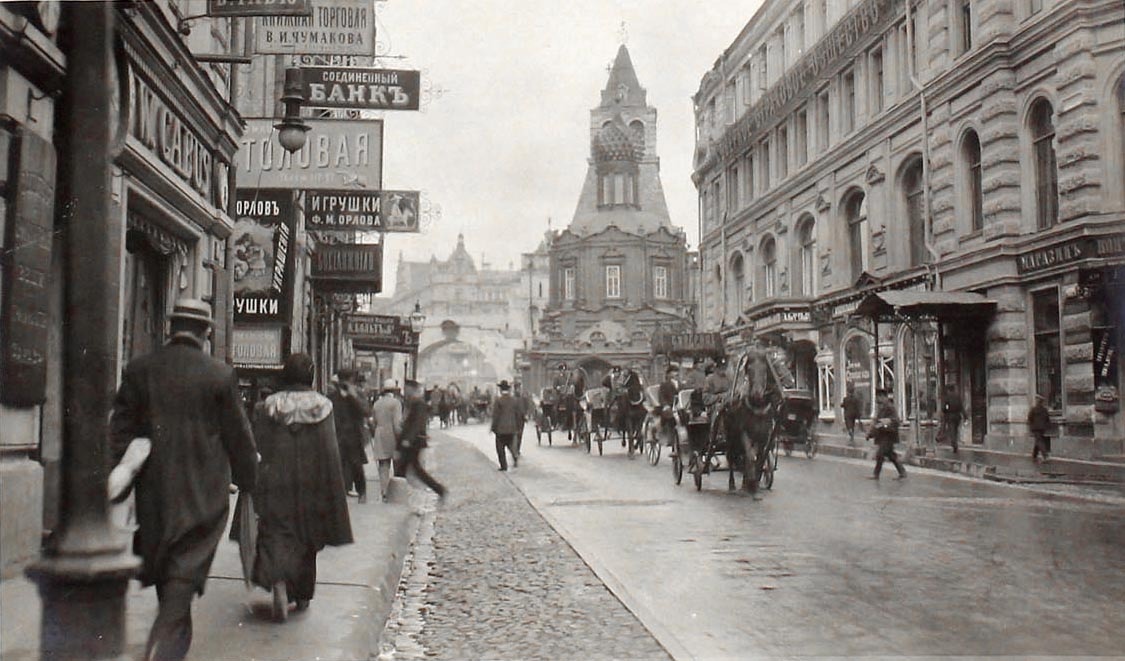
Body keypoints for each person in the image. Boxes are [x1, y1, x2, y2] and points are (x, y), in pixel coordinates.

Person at [109, 299, 257, 661]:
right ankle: (159, 651)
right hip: (203, 492)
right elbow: (239, 439)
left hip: (155, 492)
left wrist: (123, 477)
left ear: (170, 328)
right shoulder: (219, 375)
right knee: (183, 575)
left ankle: (170, 647)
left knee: (170, 576)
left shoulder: (139, 370)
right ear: (206, 333)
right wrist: (250, 481)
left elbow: (119, 434)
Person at [248, 353, 353, 622]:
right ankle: (303, 592)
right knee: (306, 537)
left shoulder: (269, 405)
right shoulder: (323, 406)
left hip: (276, 480)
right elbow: (329, 451)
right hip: (311, 484)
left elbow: (259, 445)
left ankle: (278, 581)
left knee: (274, 531)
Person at [398, 379, 447, 498]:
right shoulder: (412, 402)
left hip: (414, 442)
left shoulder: (418, 403)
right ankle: (399, 494)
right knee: (408, 469)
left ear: (412, 389)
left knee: (413, 469)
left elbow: (417, 424)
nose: (406, 391)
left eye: (407, 389)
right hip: (412, 441)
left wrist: (408, 439)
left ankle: (439, 489)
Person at [329, 369, 372, 503]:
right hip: (338, 435)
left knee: (356, 465)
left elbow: (366, 411)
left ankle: (361, 492)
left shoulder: (357, 395)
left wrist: (353, 396)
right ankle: (340, 492)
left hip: (353, 436)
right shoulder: (332, 397)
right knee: (338, 465)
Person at [371, 378, 404, 500]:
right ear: (394, 391)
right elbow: (397, 423)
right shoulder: (396, 403)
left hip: (379, 434)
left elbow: (373, 422)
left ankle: (384, 491)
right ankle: (396, 492)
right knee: (397, 464)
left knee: (383, 465)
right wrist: (400, 438)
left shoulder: (377, 403)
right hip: (392, 435)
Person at [868, 388, 906, 479]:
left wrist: (886, 423)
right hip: (883, 435)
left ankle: (876, 474)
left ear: (884, 397)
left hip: (889, 436)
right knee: (890, 455)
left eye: (879, 397)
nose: (877, 399)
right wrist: (870, 433)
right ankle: (902, 472)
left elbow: (896, 420)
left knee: (880, 454)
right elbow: (877, 423)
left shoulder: (890, 407)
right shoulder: (881, 408)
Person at [491, 380, 522, 470]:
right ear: (508, 389)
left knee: (500, 448)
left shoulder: (498, 401)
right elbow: (518, 414)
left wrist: (493, 427)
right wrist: (518, 427)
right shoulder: (514, 400)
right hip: (512, 428)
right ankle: (514, 456)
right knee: (510, 445)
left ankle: (504, 466)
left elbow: (496, 415)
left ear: (500, 389)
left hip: (501, 429)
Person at [658, 365, 680, 449]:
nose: (675, 373)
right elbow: (661, 397)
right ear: (668, 374)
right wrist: (665, 405)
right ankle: (671, 438)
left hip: (679, 406)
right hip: (669, 406)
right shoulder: (664, 384)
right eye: (673, 372)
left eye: (676, 372)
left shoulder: (681, 384)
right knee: (671, 417)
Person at [1029, 393, 1051, 463]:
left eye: (1036, 400)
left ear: (1037, 401)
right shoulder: (1044, 410)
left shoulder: (1033, 409)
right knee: (1038, 440)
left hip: (1035, 428)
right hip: (1042, 428)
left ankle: (1045, 456)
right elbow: (1047, 418)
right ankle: (1034, 455)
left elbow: (1030, 417)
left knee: (1039, 441)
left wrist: (1032, 424)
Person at [942, 386, 964, 453]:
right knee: (955, 430)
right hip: (957, 416)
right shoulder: (957, 397)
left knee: (952, 431)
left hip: (950, 416)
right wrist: (965, 416)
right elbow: (961, 407)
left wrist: (945, 411)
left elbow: (945, 407)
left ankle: (954, 444)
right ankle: (955, 443)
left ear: (949, 390)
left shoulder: (947, 398)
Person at [513, 381, 532, 457]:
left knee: (520, 434)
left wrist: (526, 414)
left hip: (521, 418)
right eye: (517, 388)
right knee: (514, 434)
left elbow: (527, 406)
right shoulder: (512, 398)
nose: (518, 390)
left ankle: (517, 449)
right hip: (513, 419)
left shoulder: (523, 398)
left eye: (519, 388)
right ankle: (514, 449)